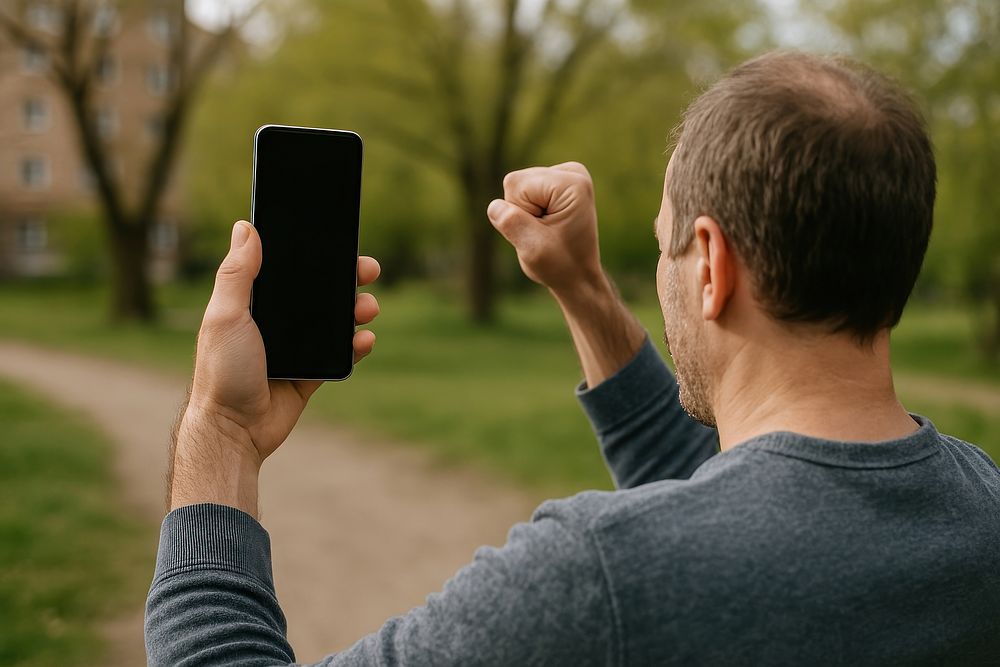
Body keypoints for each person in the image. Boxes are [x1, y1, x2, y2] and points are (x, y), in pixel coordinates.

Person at [145, 50, 1000, 665]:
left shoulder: (601, 579)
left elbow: (719, 525)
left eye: (664, 246)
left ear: (712, 264)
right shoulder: (980, 513)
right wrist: (585, 289)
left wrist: (221, 433)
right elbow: (754, 500)